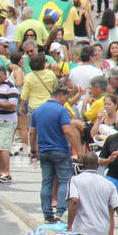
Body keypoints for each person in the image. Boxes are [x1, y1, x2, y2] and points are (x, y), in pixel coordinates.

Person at [30, 83, 80, 223]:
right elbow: (67, 131)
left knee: (46, 182)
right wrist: (78, 149)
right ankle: (60, 212)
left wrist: (33, 150)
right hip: (60, 150)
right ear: (61, 95)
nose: (66, 101)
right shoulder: (61, 111)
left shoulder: (38, 111)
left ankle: (47, 214)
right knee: (64, 181)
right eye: (66, 98)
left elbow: (32, 132)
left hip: (44, 151)